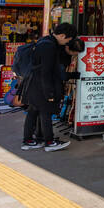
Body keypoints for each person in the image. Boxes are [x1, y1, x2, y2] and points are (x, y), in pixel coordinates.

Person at [22, 22, 75, 152]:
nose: (68, 42)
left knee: (33, 112)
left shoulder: (45, 41)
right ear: (62, 35)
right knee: (45, 112)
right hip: (41, 85)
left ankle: (29, 140)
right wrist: (49, 92)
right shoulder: (49, 47)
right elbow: (46, 71)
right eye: (68, 39)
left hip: (34, 83)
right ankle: (49, 142)